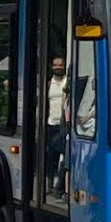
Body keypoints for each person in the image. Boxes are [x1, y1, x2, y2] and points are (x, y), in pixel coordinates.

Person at [44, 56, 69, 197]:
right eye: (55, 65)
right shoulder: (49, 83)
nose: (58, 67)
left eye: (61, 65)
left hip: (63, 124)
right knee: (50, 155)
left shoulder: (67, 82)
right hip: (50, 123)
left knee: (64, 154)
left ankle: (59, 185)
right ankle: (49, 184)